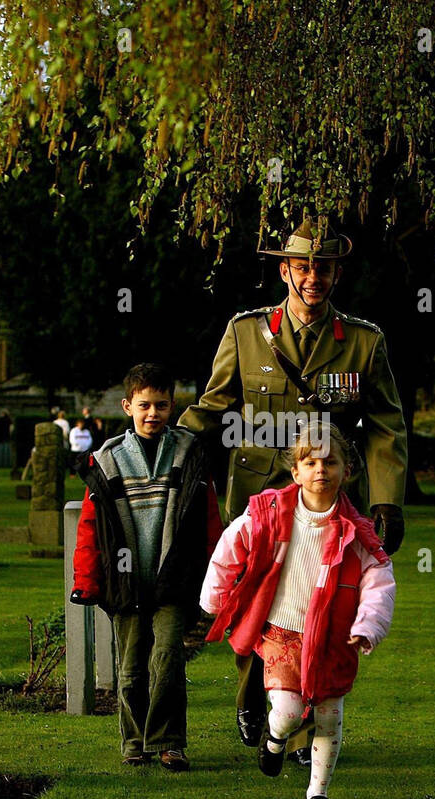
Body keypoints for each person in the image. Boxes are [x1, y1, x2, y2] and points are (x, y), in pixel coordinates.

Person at [178, 215, 408, 764]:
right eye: (302, 267)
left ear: (335, 274)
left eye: (322, 269)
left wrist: (386, 499)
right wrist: (164, 447)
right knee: (254, 602)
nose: (313, 278)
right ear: (284, 270)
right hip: (259, 493)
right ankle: (252, 698)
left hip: (327, 495)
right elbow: (214, 408)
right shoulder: (245, 333)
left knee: (319, 608)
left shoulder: (362, 342)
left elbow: (385, 424)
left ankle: (303, 732)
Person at [200, 421, 395, 799]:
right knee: (288, 712)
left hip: (333, 637)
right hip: (280, 631)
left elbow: (379, 582)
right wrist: (213, 601)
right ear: (296, 471)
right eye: (310, 462)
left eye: (330, 462)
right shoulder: (268, 515)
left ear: (346, 470)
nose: (320, 470)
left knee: (328, 714)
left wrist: (367, 626)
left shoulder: (357, 534)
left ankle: (318, 792)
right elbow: (228, 549)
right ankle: (274, 739)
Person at [70, 363, 222, 770]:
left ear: (172, 406)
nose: (152, 414)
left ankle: (169, 741)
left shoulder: (190, 454)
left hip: (174, 578)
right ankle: (134, 741)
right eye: (144, 406)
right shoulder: (107, 461)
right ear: (127, 406)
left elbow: (210, 521)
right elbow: (90, 529)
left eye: (161, 405)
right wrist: (86, 581)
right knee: (132, 668)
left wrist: (215, 575)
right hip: (127, 582)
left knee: (168, 658)